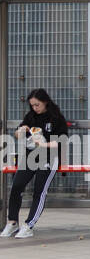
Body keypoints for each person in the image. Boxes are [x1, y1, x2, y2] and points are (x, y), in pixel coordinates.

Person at [2, 89, 70, 239]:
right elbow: (17, 134)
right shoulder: (31, 116)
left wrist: (44, 144)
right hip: (30, 156)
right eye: (32, 105)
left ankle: (29, 225)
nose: (34, 108)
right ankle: (12, 222)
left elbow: (62, 140)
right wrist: (21, 130)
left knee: (39, 191)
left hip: (49, 157)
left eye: (37, 105)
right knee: (16, 186)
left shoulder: (56, 118)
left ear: (45, 102)